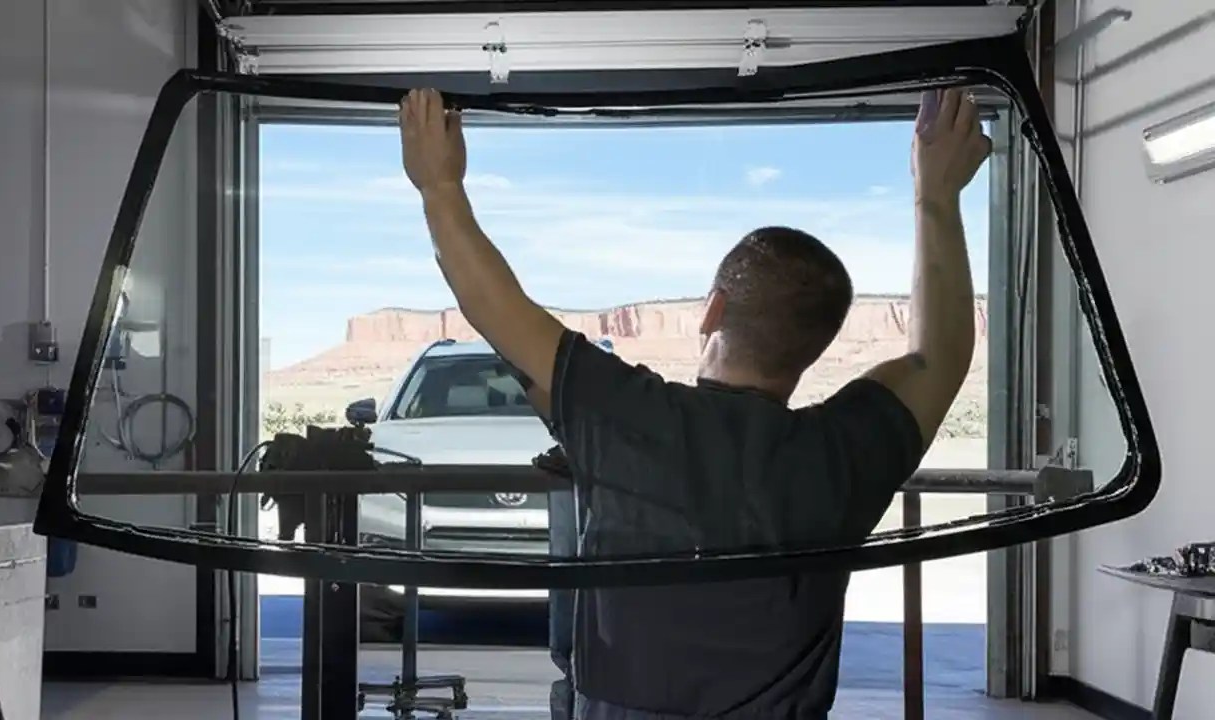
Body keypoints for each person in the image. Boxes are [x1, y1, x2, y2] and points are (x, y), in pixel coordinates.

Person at [398, 86, 989, 719]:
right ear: (815, 345)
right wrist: (936, 195)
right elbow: (939, 357)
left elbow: (494, 307)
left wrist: (439, 185)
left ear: (712, 310)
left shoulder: (626, 413)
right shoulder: (840, 455)